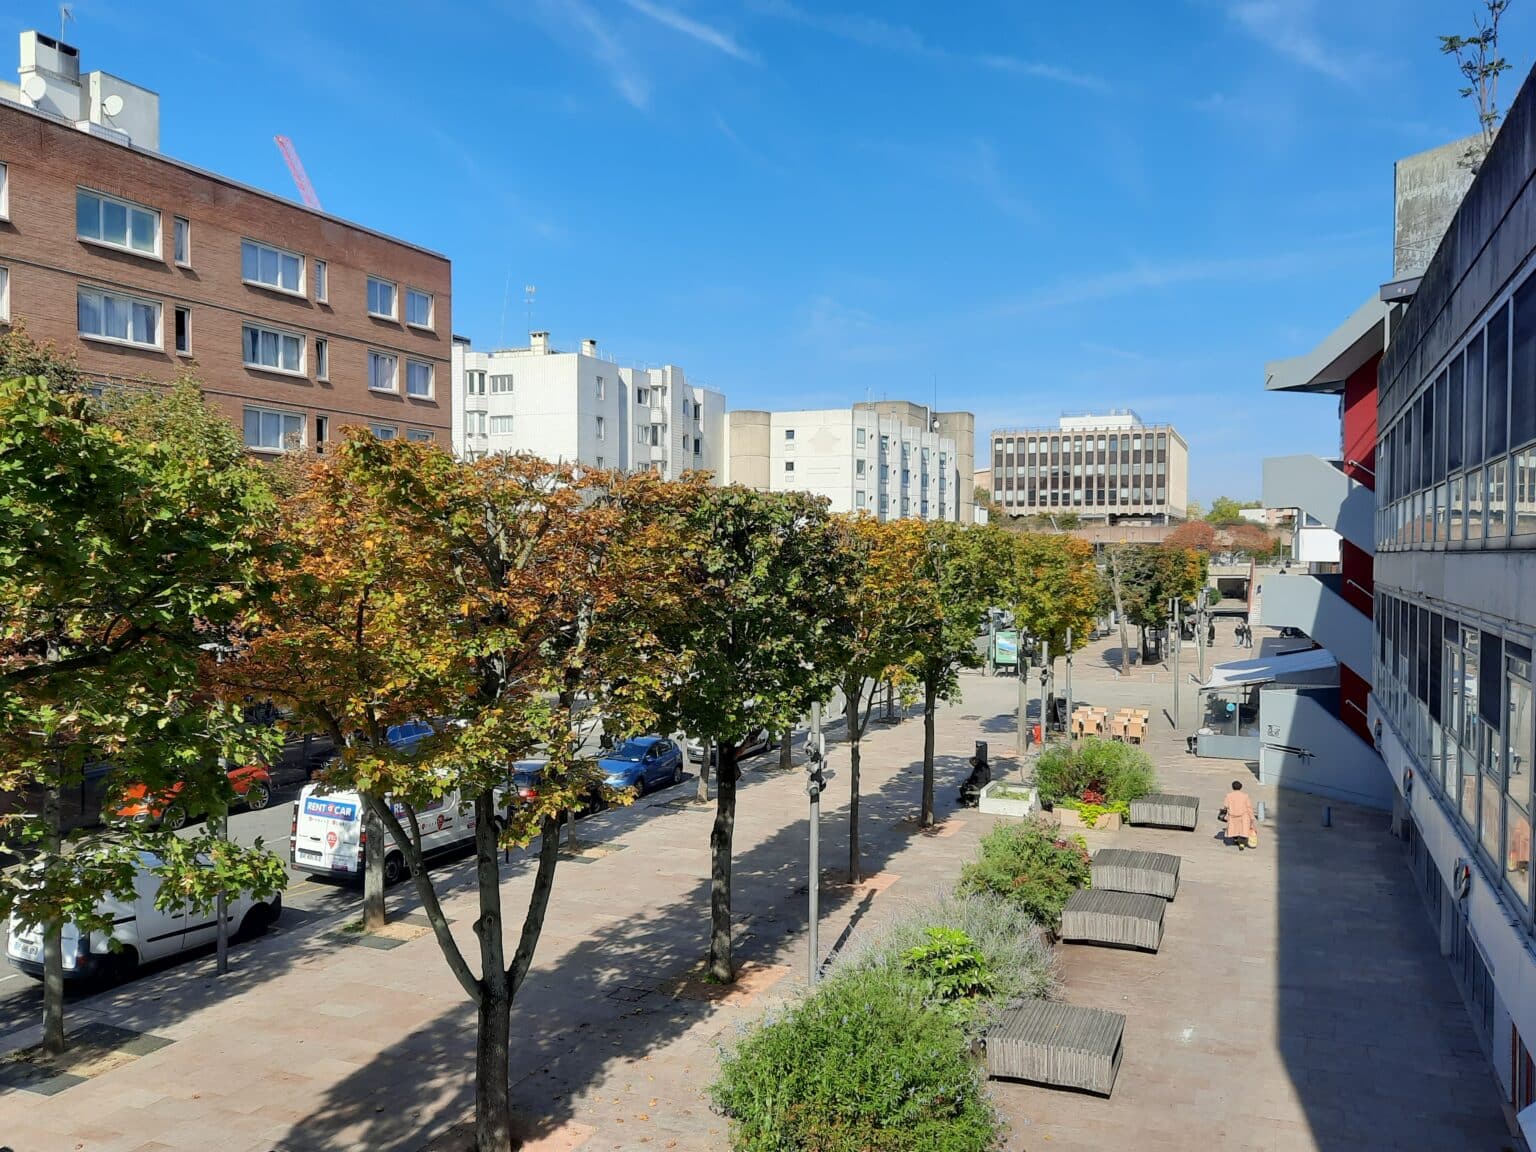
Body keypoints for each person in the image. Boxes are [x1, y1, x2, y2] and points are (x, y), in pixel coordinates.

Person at [1223, 780, 1258, 850]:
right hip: (1243, 816)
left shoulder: (1229, 796)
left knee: (1234, 829)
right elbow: (1249, 807)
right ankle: (1241, 843)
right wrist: (1252, 817)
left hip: (1233, 816)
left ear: (1233, 787)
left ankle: (1236, 839)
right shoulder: (1245, 796)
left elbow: (1226, 805)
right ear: (1241, 787)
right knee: (1243, 830)